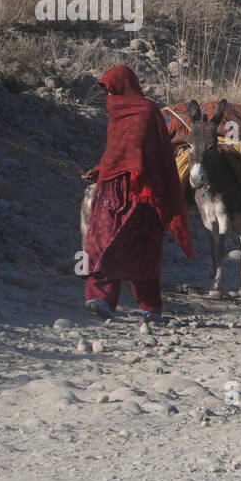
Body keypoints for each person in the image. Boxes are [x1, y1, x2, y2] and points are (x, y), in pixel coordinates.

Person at [82, 65, 192, 322]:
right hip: (110, 188)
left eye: (110, 89)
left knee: (141, 249)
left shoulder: (146, 111)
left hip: (142, 191)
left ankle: (149, 307)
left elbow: (150, 153)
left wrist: (134, 173)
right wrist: (100, 169)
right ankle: (100, 299)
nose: (108, 96)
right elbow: (116, 150)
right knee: (99, 242)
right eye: (106, 91)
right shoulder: (116, 113)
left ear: (123, 87)